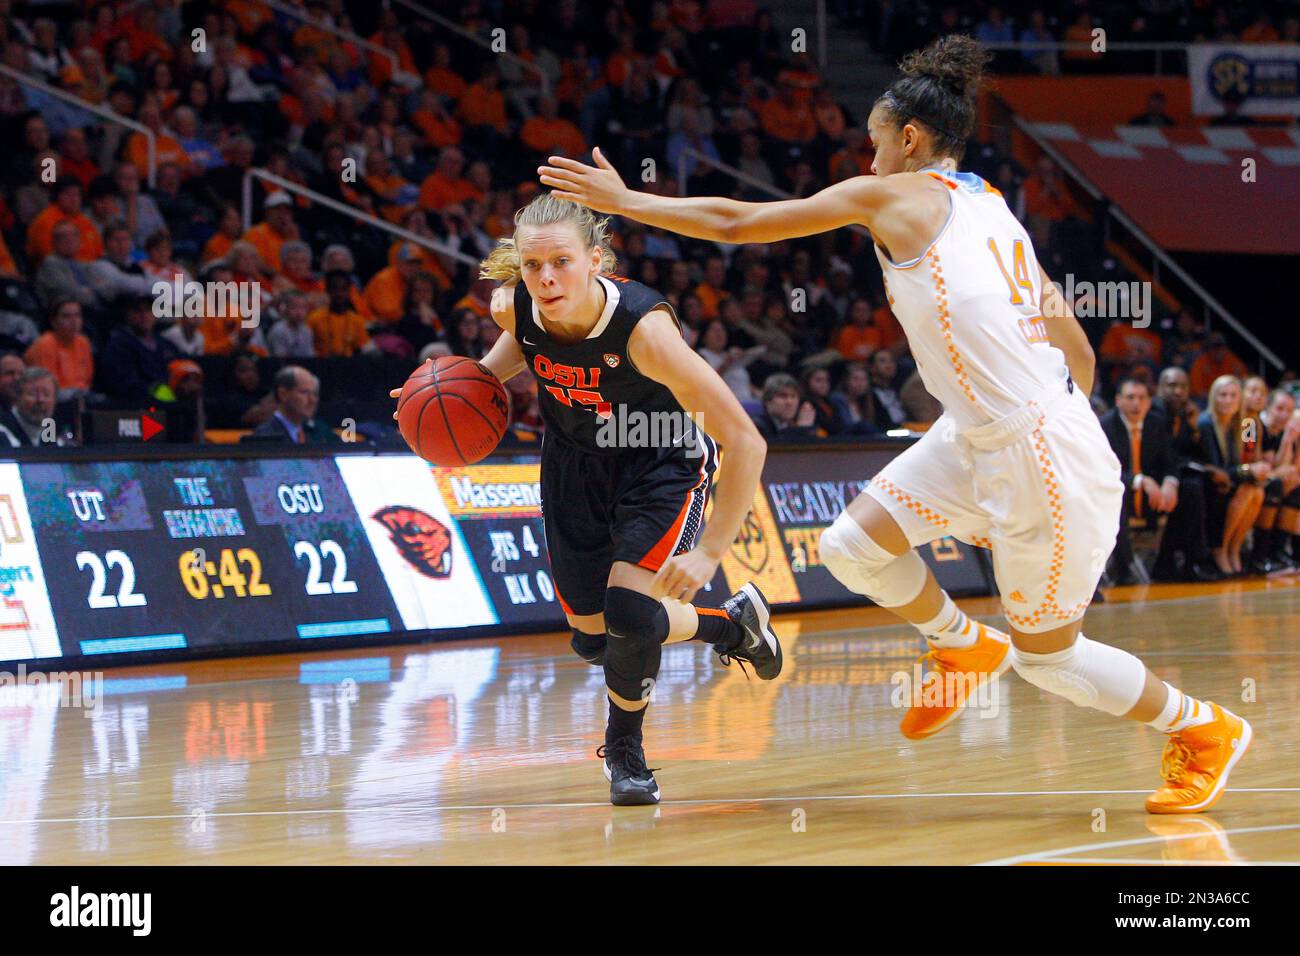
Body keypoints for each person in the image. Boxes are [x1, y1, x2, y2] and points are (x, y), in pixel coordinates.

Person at [541, 34, 1254, 814]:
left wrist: (628, 204)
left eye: (875, 141)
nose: (868, 156)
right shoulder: (991, 203)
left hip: (1037, 445)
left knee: (1048, 659)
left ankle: (1204, 728)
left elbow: (741, 224)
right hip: (990, 429)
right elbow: (1073, 340)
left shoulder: (897, 196)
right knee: (851, 546)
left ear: (909, 140)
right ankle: (958, 641)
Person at [398, 193, 781, 807]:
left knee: (631, 615)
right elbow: (487, 378)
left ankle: (625, 751)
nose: (546, 278)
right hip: (575, 464)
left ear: (597, 260)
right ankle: (731, 626)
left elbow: (746, 441)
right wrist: (434, 392)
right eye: (531, 266)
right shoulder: (520, 310)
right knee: (595, 638)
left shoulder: (645, 332)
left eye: (562, 263)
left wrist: (710, 552)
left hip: (658, 459)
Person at [1100, 377, 1179, 584]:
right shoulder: (1105, 426)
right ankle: (1124, 568)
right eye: (1130, 397)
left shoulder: (1246, 422)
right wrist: (1140, 480)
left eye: (1142, 398)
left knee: (1193, 490)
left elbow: (1171, 461)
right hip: (1123, 493)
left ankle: (1180, 564)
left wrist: (1170, 483)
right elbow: (1103, 470)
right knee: (1117, 494)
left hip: (1152, 498)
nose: (1137, 403)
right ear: (1118, 401)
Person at [1151, 367, 1217, 581]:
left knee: (1213, 489)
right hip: (1160, 478)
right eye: (1172, 385)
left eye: (1183, 386)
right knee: (1195, 489)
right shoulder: (1156, 413)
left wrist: (1195, 428)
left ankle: (1221, 554)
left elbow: (1245, 451)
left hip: (1185, 475)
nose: (1178, 391)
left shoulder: (1246, 422)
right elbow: (1168, 455)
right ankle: (1194, 558)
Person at [1199, 375, 1270, 575]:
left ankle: (1234, 547)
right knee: (1249, 490)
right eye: (1252, 391)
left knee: (1258, 491)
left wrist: (1258, 468)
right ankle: (1221, 547)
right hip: (1214, 481)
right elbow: (1220, 466)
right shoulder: (1207, 423)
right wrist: (1250, 470)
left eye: (1262, 392)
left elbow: (1250, 456)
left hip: (1236, 476)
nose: (1229, 400)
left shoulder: (1248, 423)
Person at [1252, 389, 1300, 572]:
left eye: (1289, 410)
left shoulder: (1282, 431)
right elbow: (1250, 460)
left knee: (1293, 486)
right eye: (1279, 408)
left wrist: (1289, 441)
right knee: (1275, 485)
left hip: (1267, 479)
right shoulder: (1249, 424)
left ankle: (1277, 553)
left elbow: (1288, 469)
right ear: (1267, 406)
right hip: (1247, 478)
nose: (1284, 415)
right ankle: (1259, 555)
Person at [241, 366, 339, 444]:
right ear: (283, 394)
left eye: (315, 394)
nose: (312, 400)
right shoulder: (263, 438)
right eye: (305, 392)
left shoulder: (321, 432)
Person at [25, 299, 94, 400]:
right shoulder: (45, 344)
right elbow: (46, 386)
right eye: (66, 316)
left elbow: (87, 380)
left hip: (81, 397)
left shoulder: (83, 342)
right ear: (53, 321)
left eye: (77, 315)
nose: (73, 321)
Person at [0, 367, 66, 447]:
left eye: (46, 394)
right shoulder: (3, 430)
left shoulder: (53, 433)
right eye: (32, 394)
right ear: (17, 397)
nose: (40, 400)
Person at [751, 373, 818, 439]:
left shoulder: (792, 423)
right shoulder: (758, 426)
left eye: (793, 396)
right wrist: (801, 430)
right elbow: (777, 448)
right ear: (767, 401)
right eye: (783, 396)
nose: (789, 402)